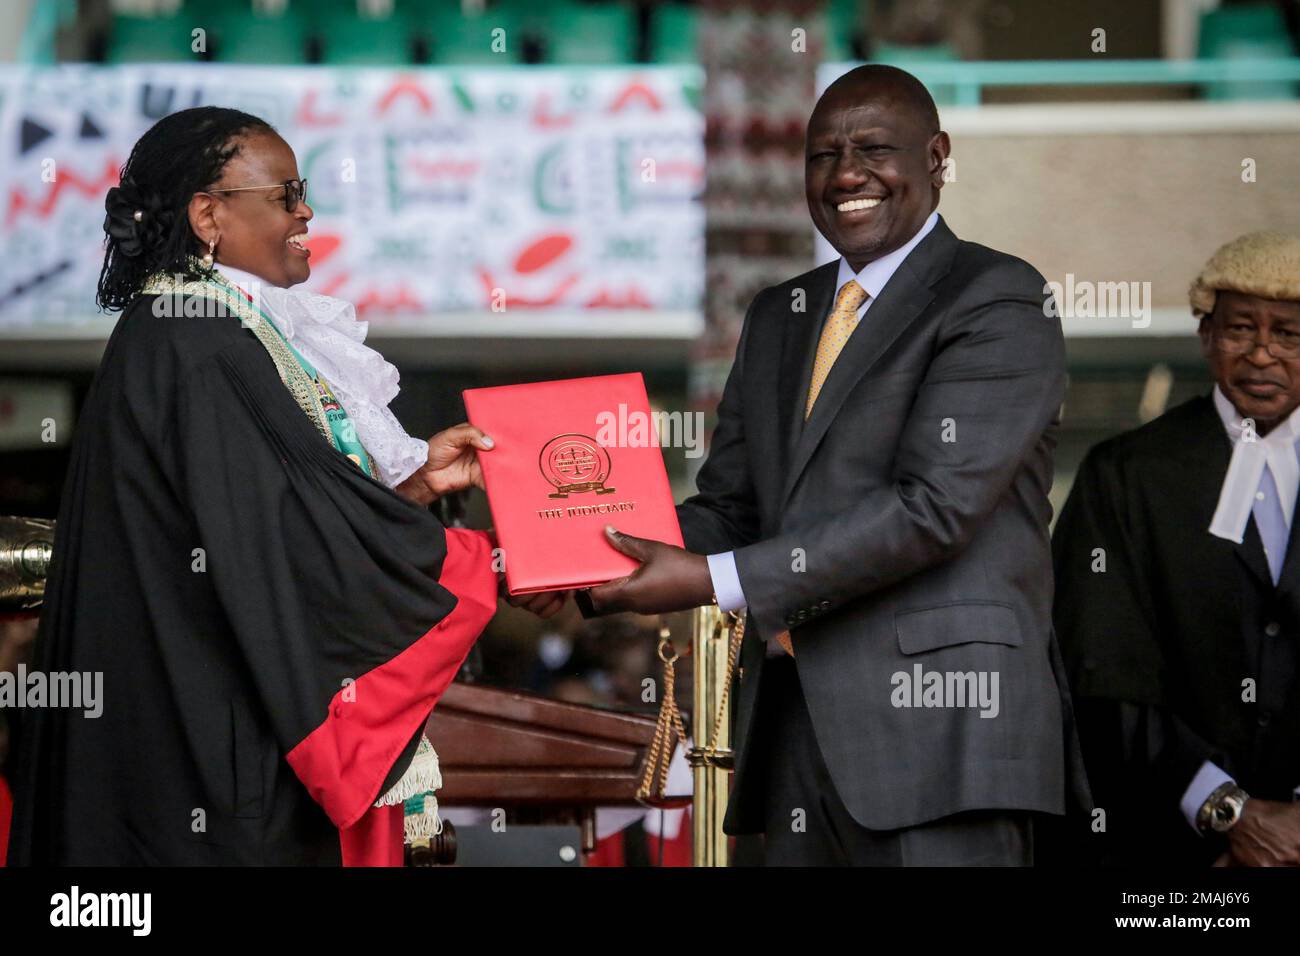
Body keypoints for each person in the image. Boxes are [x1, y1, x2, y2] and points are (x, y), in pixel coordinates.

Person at [5, 106, 551, 866]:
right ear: (209, 215)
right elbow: (288, 545)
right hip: (203, 753)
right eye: (288, 193)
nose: (307, 211)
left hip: (191, 726)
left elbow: (269, 520)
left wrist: (416, 489)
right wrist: (492, 560)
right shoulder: (199, 343)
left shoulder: (197, 327)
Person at [584, 65, 1089, 865]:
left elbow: (935, 508)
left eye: (874, 149)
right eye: (823, 155)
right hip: (792, 731)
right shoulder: (781, 314)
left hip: (945, 734)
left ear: (937, 156)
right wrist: (581, 554)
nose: (847, 174)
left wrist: (712, 581)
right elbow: (731, 507)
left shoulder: (999, 298)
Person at [1054, 231, 1300, 866]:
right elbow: (1099, 669)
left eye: (1290, 335)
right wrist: (1226, 809)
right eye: (1241, 329)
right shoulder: (1126, 475)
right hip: (1166, 844)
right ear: (1205, 335)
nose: (1263, 355)